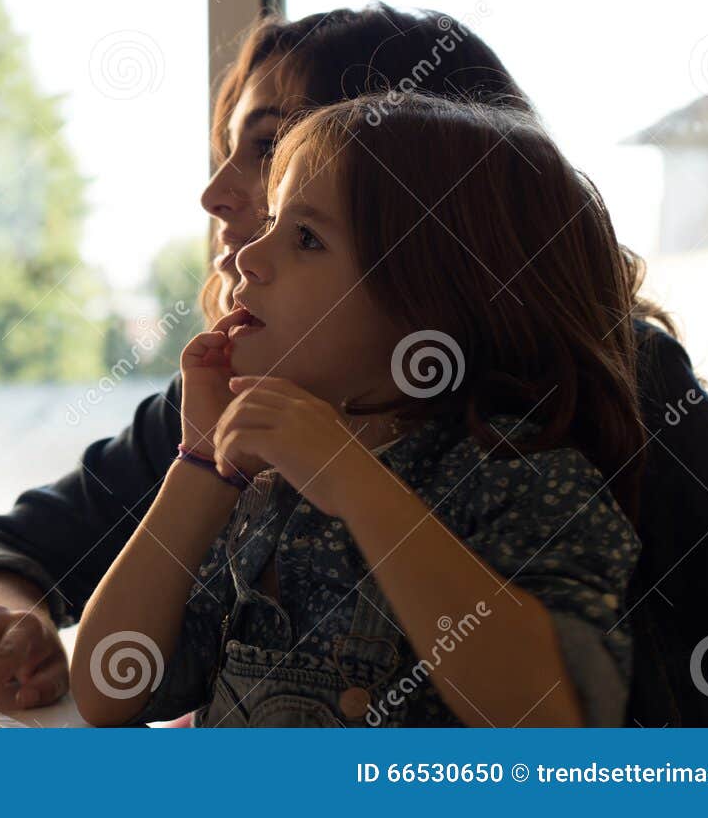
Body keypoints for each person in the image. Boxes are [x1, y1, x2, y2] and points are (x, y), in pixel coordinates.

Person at [0, 4, 708, 725]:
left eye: (271, 154)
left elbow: (583, 703)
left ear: (433, 255)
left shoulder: (585, 404)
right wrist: (17, 618)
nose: (217, 197)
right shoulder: (249, 431)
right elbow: (39, 577)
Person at [72, 92, 642, 726]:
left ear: (433, 301)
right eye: (268, 228)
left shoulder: (518, 472)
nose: (246, 258)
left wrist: (355, 483)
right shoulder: (265, 488)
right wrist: (202, 464)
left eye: (307, 238)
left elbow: (554, 725)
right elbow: (108, 689)